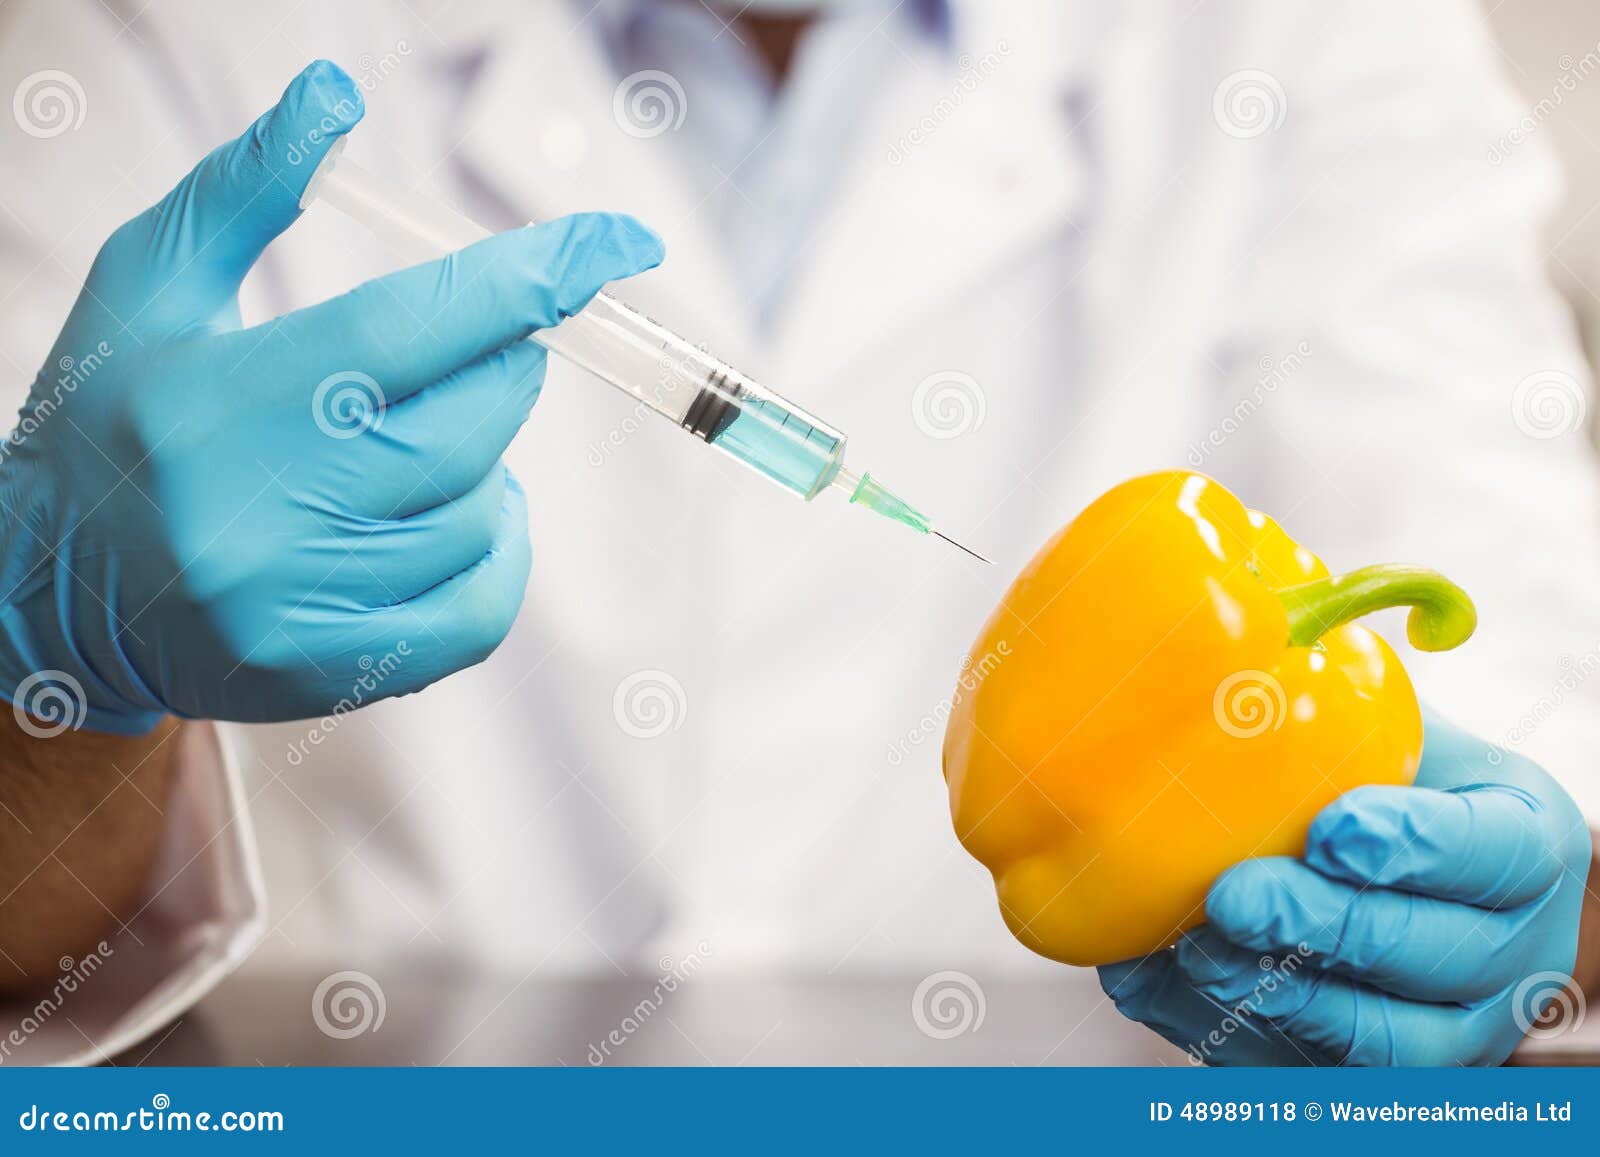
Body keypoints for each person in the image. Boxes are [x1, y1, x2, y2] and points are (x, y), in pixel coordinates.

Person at [0, 0, 1595, 1066]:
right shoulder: (158, 35)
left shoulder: (1309, 35)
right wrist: (57, 656)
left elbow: (1527, 651)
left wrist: (1491, 905)